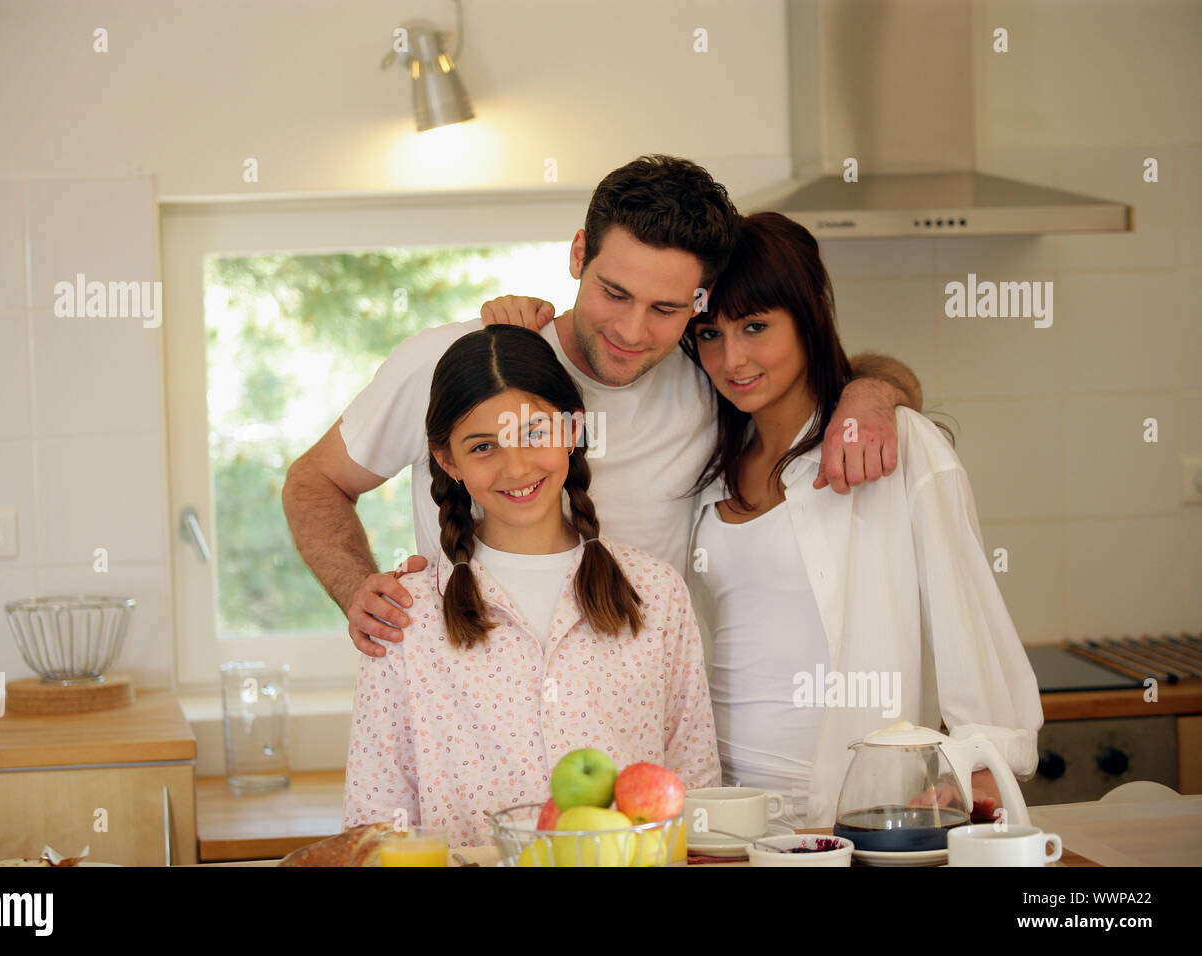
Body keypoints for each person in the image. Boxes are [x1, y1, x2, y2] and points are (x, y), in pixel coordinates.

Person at [282, 155, 923, 661]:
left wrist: (872, 393)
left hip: (638, 733)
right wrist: (355, 587)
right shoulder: (452, 363)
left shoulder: (710, 377)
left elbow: (836, 371)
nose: (633, 330)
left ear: (698, 303)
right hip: (474, 721)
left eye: (666, 309)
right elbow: (315, 481)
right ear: (577, 253)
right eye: (614, 293)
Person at [680, 211, 1043, 829]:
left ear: (812, 314)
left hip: (856, 803)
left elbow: (968, 613)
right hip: (715, 806)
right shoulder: (703, 461)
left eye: (756, 326)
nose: (732, 357)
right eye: (709, 334)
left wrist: (982, 759)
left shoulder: (896, 446)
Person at [341, 324, 720, 846]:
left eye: (535, 433)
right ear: (447, 460)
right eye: (482, 447)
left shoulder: (655, 594)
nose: (515, 466)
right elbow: (376, 821)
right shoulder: (408, 615)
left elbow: (693, 786)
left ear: (572, 429)